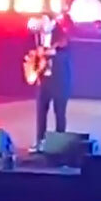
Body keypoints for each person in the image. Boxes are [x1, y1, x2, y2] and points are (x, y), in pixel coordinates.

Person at [31, 15, 72, 150]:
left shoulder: (61, 36)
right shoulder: (38, 36)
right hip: (44, 80)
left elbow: (63, 55)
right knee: (41, 113)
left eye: (45, 21)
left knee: (59, 113)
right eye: (41, 21)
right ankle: (40, 141)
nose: (42, 24)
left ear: (52, 22)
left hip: (59, 81)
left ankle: (59, 143)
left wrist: (48, 52)